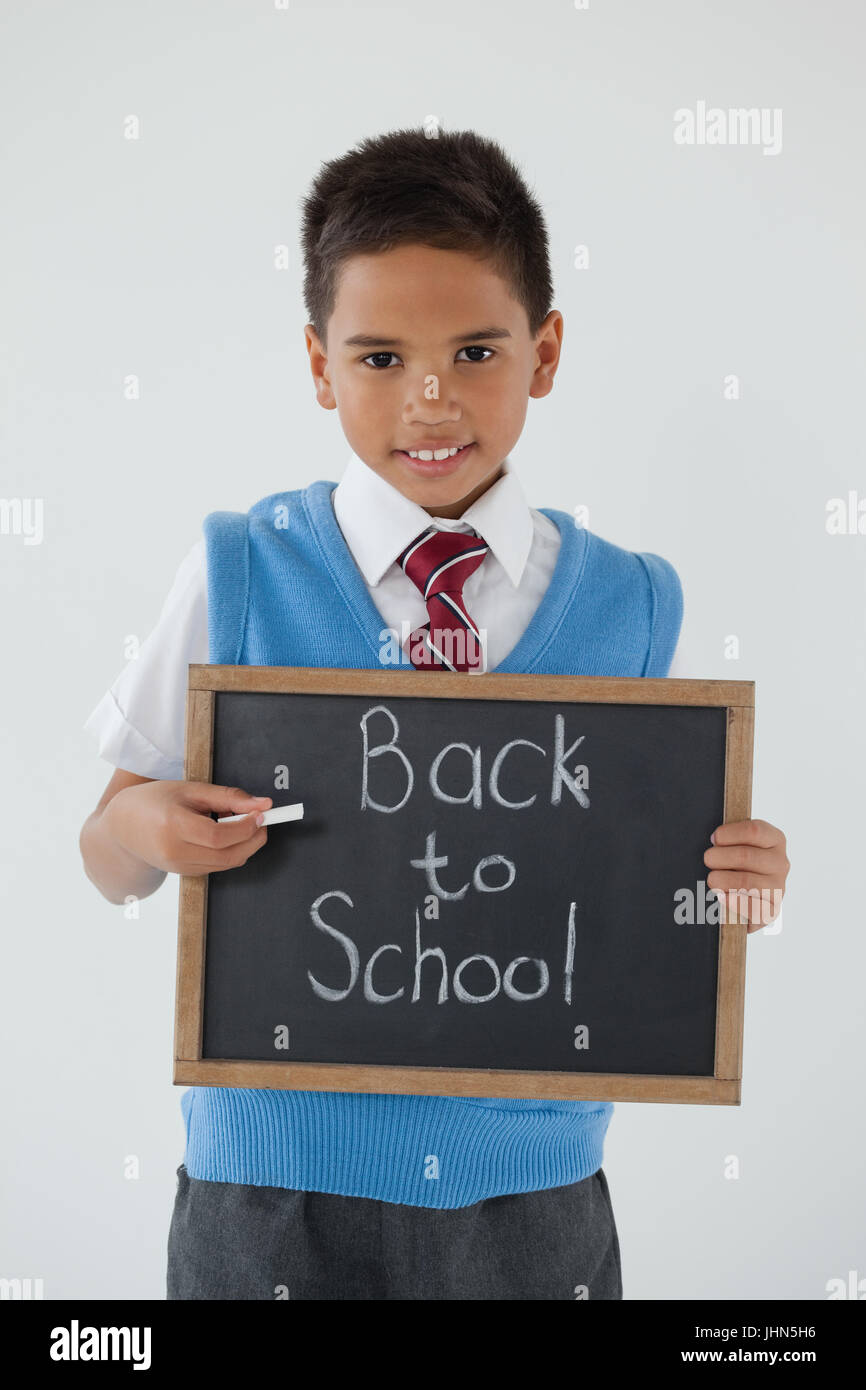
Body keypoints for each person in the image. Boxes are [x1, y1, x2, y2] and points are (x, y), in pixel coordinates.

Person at [80, 127, 790, 1300]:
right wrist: (146, 829)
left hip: (531, 1194)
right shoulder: (240, 569)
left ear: (544, 351)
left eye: (472, 351)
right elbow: (106, 858)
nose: (429, 399)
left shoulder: (630, 602)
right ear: (317, 366)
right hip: (270, 1190)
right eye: (377, 358)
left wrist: (730, 886)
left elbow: (638, 889)